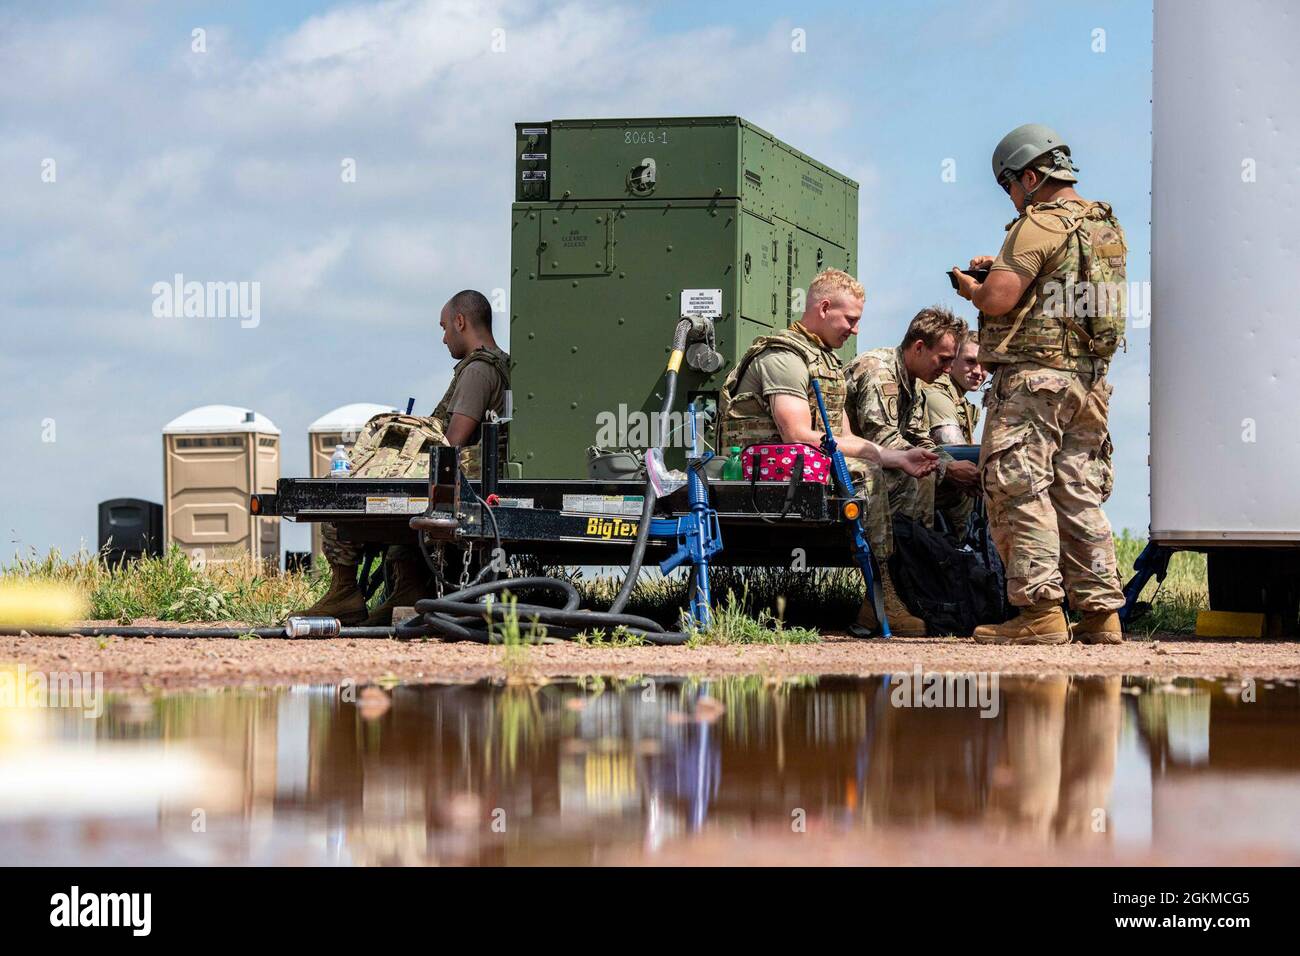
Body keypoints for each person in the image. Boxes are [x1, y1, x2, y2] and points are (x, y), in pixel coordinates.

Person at [951, 123, 1127, 645]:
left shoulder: (1038, 223)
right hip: (1088, 383)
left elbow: (999, 300)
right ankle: (1100, 615)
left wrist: (972, 288)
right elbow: (1059, 286)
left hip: (1033, 384)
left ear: (1030, 176)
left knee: (1017, 487)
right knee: (1077, 491)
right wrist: (1001, 267)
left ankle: (1040, 614)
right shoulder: (1104, 226)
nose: (1011, 196)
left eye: (1009, 185)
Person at [718, 268, 939, 636]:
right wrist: (874, 460)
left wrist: (898, 458)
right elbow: (797, 434)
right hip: (767, 471)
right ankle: (880, 596)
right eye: (850, 320)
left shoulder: (825, 359)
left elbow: (841, 435)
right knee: (865, 475)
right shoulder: (784, 357)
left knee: (905, 477)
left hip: (806, 463)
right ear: (823, 308)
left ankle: (899, 588)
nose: (855, 330)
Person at [298, 290, 511, 626]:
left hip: (462, 471)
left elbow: (451, 442)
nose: (443, 338)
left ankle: (345, 592)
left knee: (344, 489)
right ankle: (404, 592)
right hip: (471, 472)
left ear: (461, 322)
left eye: (445, 327)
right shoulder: (495, 364)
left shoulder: (479, 370)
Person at [845, 306, 980, 530]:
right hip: (850, 464)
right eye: (943, 359)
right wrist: (945, 468)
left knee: (959, 486)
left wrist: (952, 467)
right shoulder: (879, 372)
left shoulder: (913, 381)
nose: (947, 370)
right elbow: (884, 440)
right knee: (920, 478)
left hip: (880, 461)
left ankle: (953, 553)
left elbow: (919, 437)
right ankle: (910, 556)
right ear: (919, 348)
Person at [920, 330, 986, 538]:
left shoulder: (960, 400)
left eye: (985, 365)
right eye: (971, 362)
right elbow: (956, 453)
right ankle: (966, 546)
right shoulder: (937, 394)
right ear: (951, 362)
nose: (979, 371)